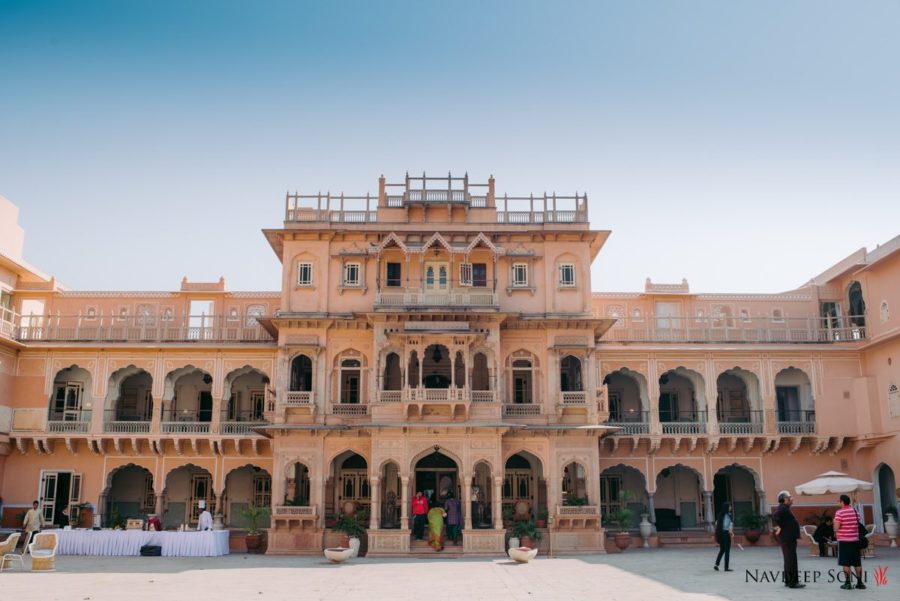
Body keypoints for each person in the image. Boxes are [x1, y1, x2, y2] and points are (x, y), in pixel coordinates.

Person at [772, 490, 805, 588]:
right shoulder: (782, 508)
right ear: (785, 499)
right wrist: (781, 526)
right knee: (791, 559)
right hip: (787, 538)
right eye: (789, 498)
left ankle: (788, 580)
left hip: (788, 537)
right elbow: (776, 516)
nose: (791, 499)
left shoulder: (785, 508)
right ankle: (793, 582)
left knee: (789, 559)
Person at [833, 494, 864, 590]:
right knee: (857, 562)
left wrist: (834, 523)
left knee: (846, 563)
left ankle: (847, 583)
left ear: (842, 502)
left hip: (844, 541)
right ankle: (860, 583)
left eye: (839, 501)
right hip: (855, 540)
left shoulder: (839, 513)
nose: (838, 502)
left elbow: (836, 528)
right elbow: (857, 523)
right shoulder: (855, 511)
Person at [713, 502, 733, 572]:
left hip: (720, 534)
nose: (731, 508)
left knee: (722, 550)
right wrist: (730, 532)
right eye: (729, 506)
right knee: (727, 551)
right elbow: (726, 525)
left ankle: (716, 564)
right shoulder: (727, 516)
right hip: (726, 534)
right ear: (727, 507)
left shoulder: (720, 515)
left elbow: (716, 524)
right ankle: (726, 567)